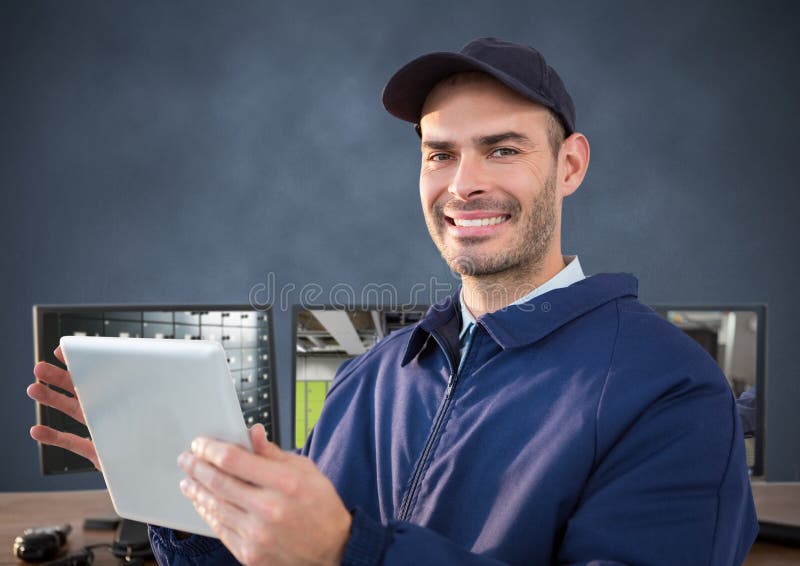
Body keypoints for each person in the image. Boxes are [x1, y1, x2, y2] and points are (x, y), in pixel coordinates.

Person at [29, 37, 758, 565]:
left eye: (502, 150)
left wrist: (352, 551)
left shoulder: (672, 394)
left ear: (569, 166)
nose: (463, 183)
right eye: (440, 153)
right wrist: (189, 506)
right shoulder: (366, 378)